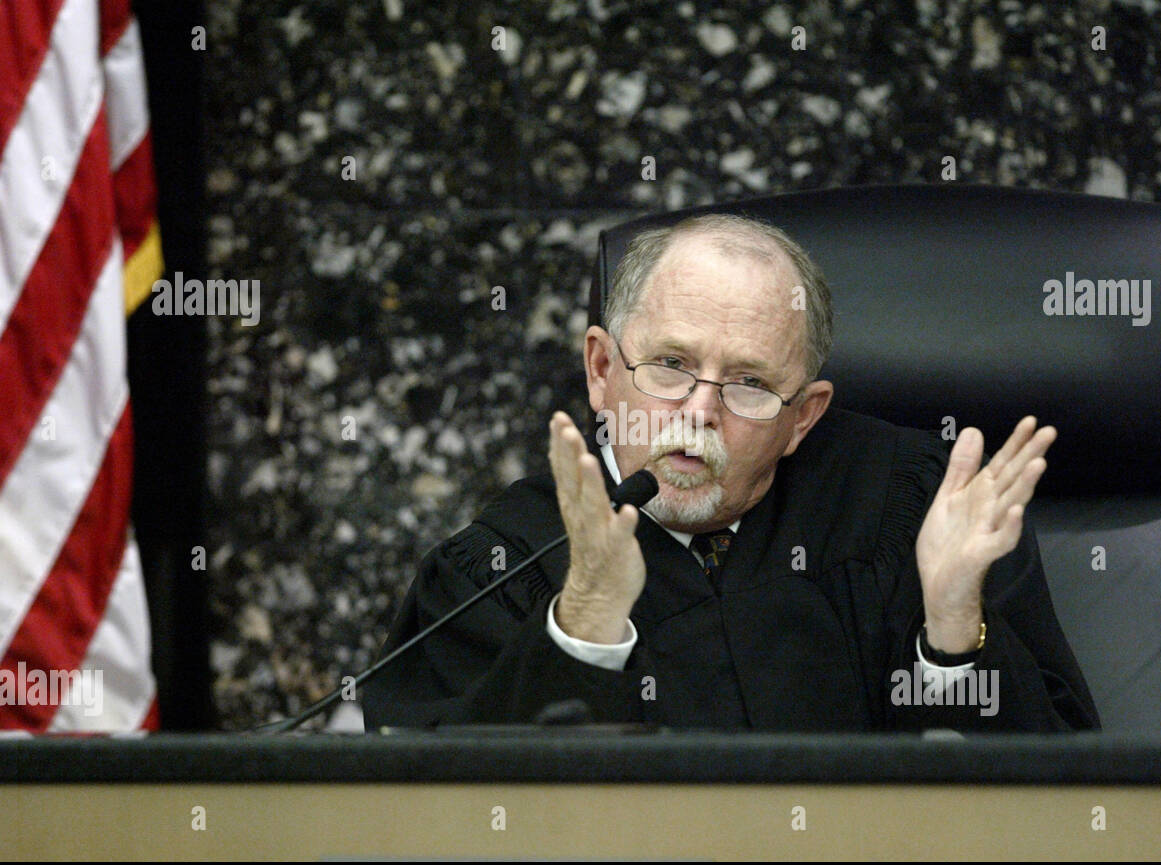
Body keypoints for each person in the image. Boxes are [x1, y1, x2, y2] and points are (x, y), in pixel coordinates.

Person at [362, 214, 1100, 732]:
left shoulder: (912, 508)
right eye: (671, 366)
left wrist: (949, 635)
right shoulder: (501, 565)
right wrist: (585, 620)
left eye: (748, 383)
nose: (698, 412)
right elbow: (447, 829)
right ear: (599, 368)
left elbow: (1059, 812)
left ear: (803, 417)